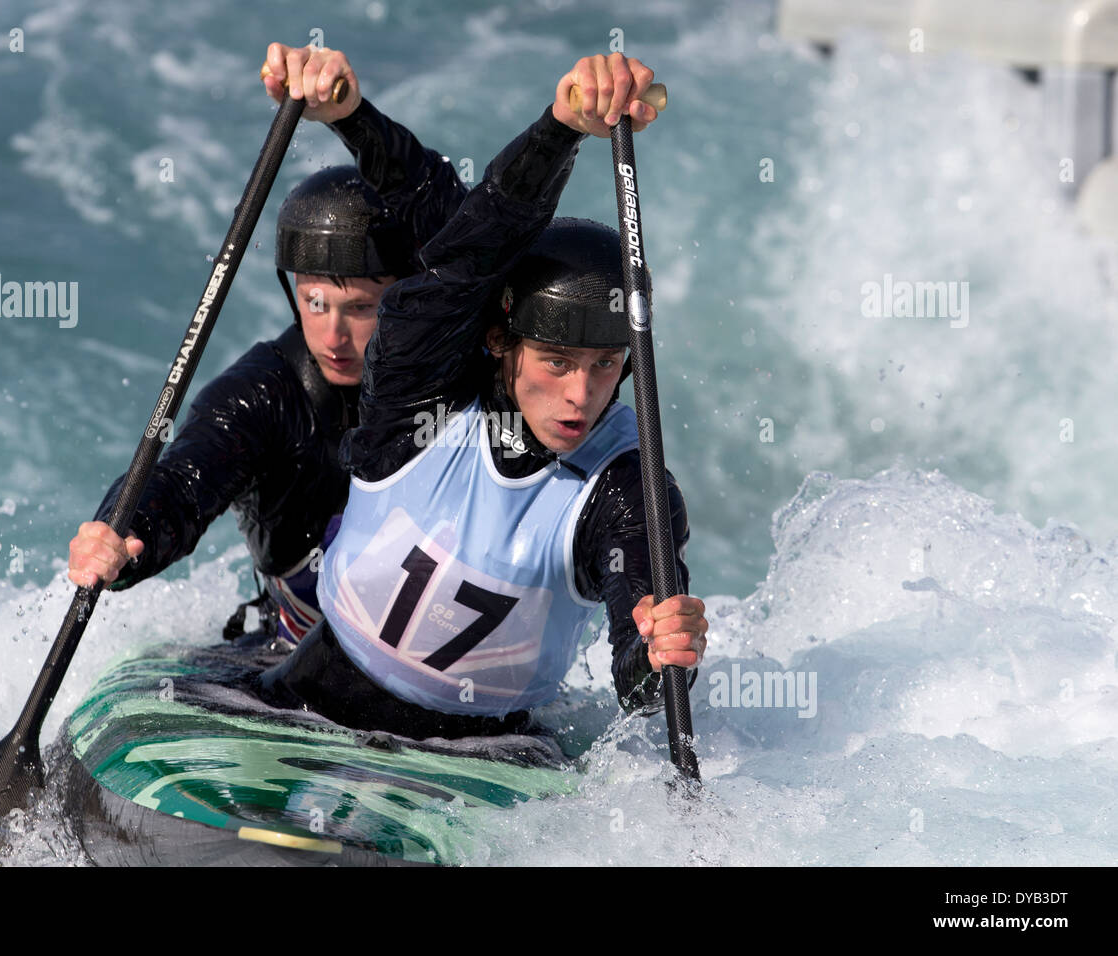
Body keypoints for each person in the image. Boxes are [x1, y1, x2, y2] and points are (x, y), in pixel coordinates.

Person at [256, 53, 709, 739]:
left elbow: (638, 664)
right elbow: (464, 248)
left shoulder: (624, 488)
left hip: (485, 758)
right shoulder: (422, 392)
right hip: (308, 700)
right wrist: (560, 129)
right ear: (501, 340)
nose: (580, 397)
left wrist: (655, 655)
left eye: (605, 365)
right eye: (556, 362)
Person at [66, 43, 466, 645]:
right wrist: (122, 532)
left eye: (361, 308)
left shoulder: (455, 364)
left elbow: (459, 222)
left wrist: (352, 116)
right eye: (315, 302)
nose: (333, 334)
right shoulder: (262, 396)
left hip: (443, 660)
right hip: (286, 650)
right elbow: (180, 482)